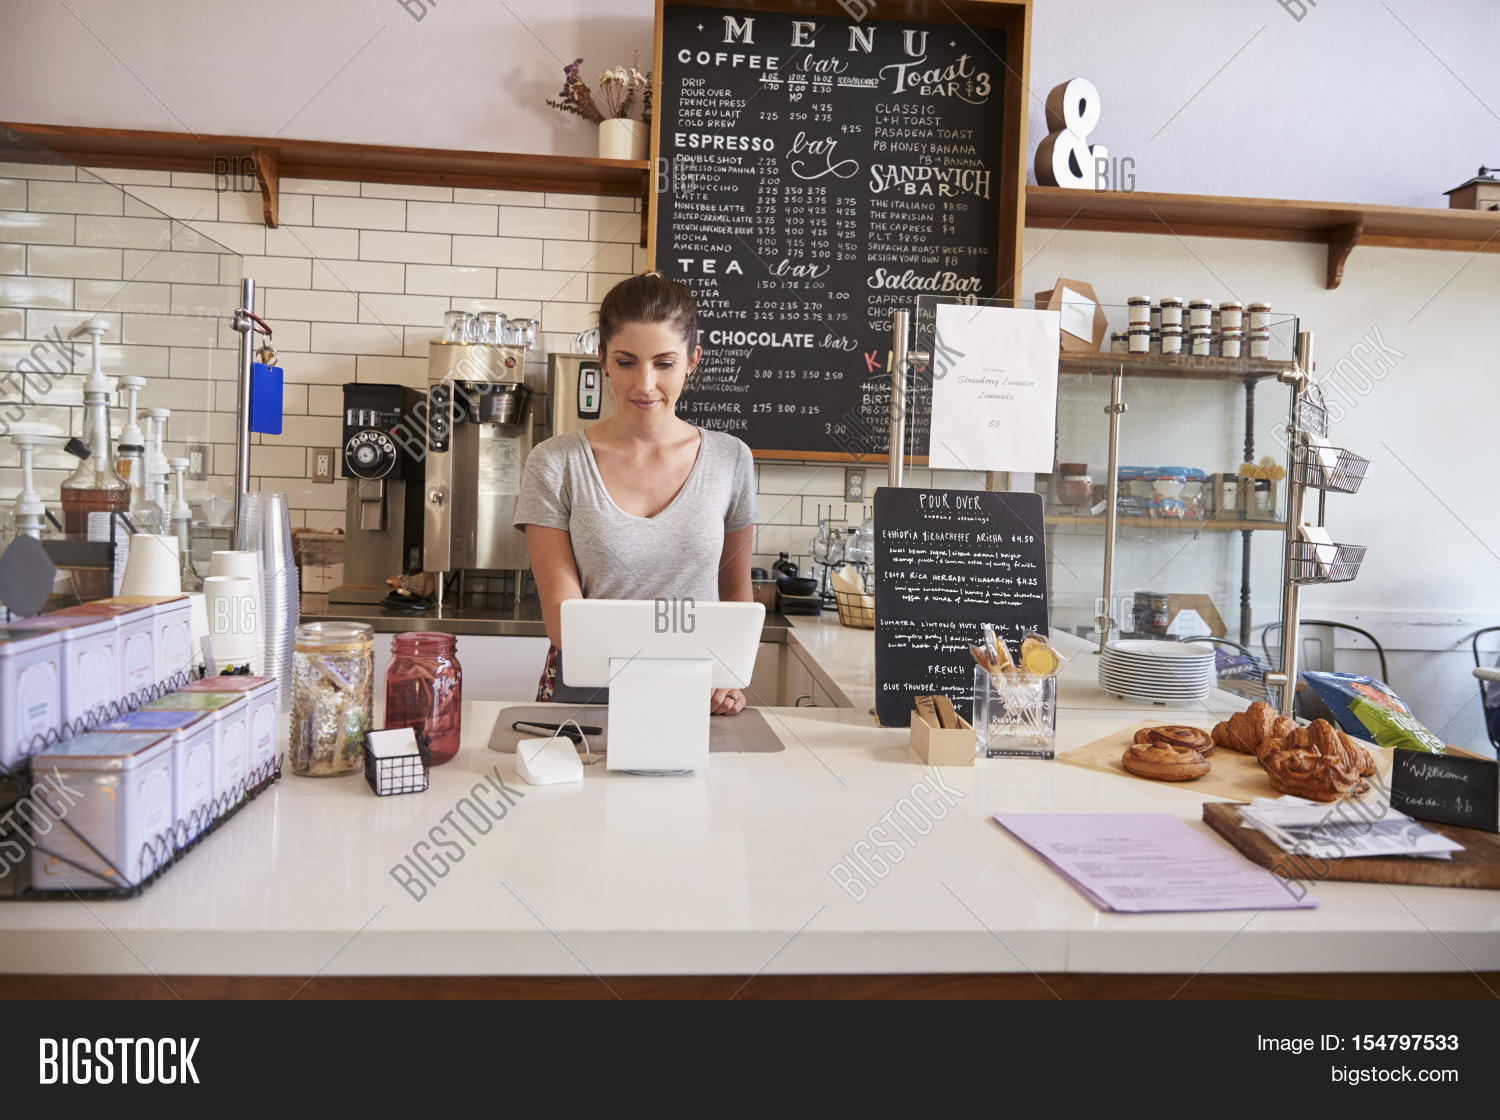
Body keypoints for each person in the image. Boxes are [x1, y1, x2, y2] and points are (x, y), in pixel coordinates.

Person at [513, 272, 757, 714]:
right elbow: (562, 619)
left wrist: (731, 677)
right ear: (602, 358)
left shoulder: (731, 459)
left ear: (692, 359)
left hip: (694, 700)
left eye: (664, 363)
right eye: (627, 362)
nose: (645, 384)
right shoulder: (555, 463)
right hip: (585, 699)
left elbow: (737, 597)